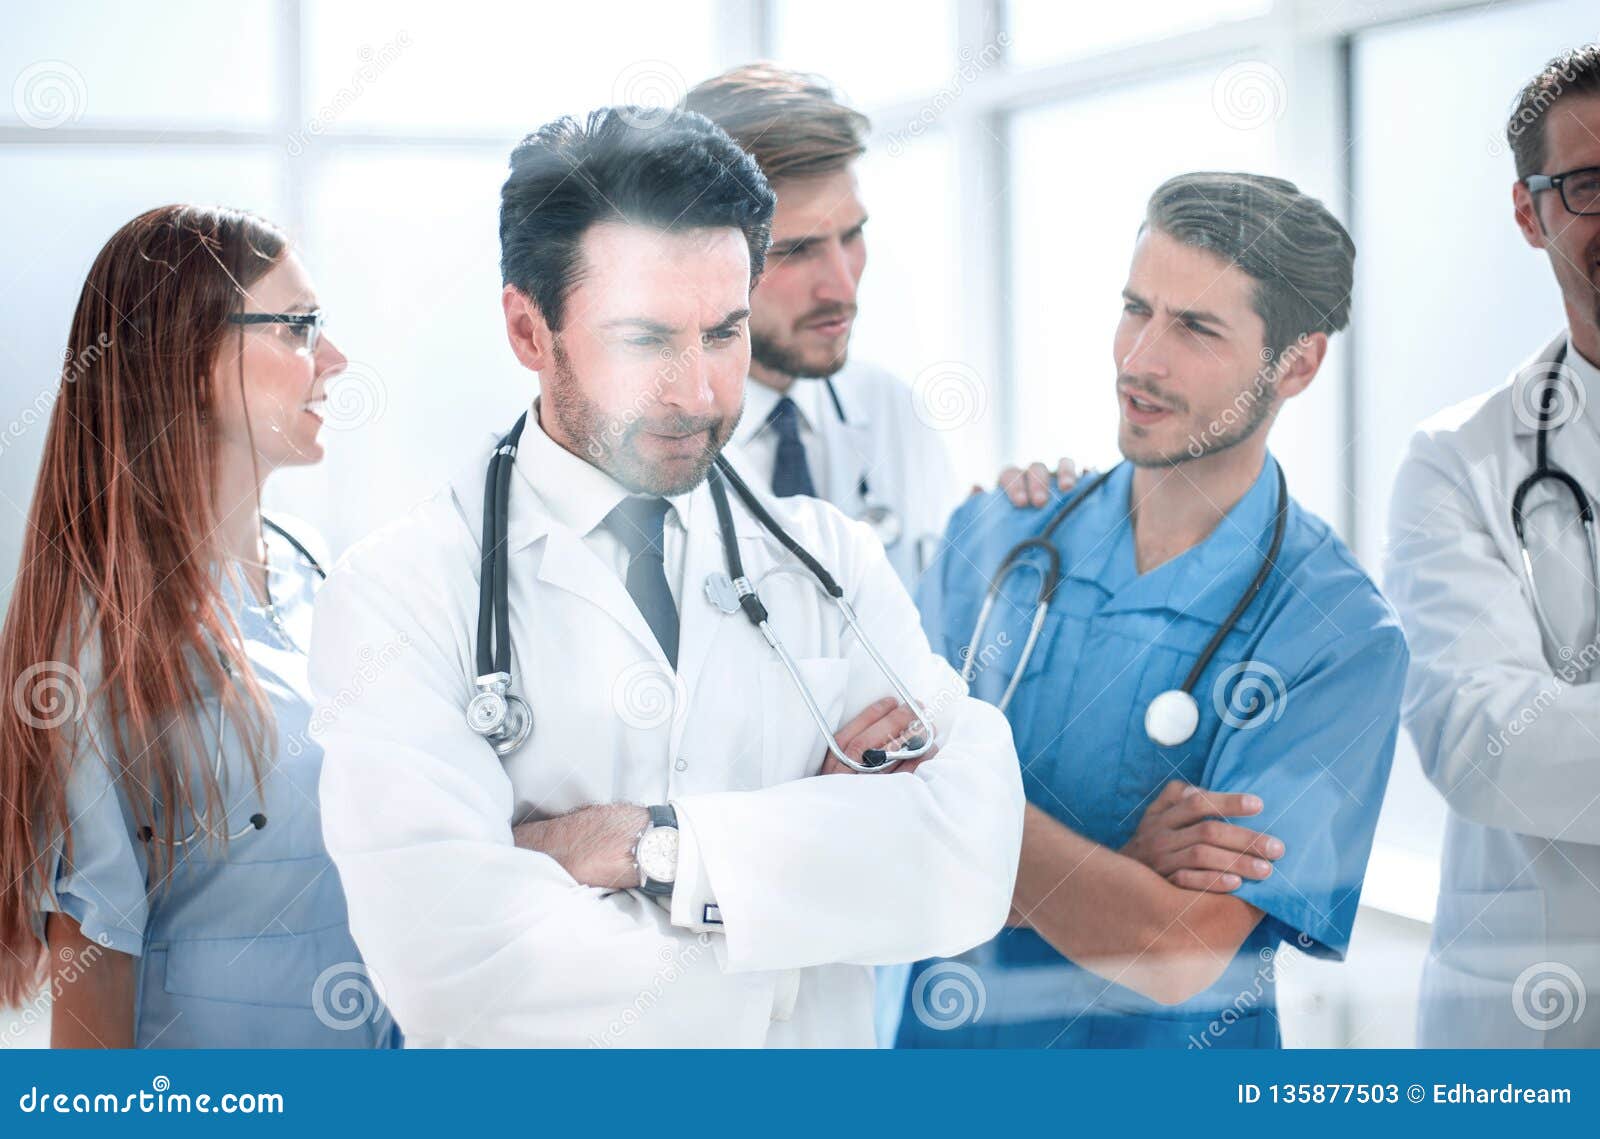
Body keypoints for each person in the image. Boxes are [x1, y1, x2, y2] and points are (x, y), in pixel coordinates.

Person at [306, 106, 1024, 1048]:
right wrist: (787, 944)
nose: (698, 393)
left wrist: (643, 847)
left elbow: (966, 850)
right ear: (530, 330)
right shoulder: (399, 594)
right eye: (645, 341)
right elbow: (458, 968)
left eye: (724, 333)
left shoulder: (829, 558)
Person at [896, 172, 1408, 1049]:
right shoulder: (997, 541)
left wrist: (949, 810)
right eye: (1137, 308)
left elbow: (1174, 953)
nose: (1140, 359)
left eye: (1196, 328)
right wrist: (1122, 871)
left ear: (1298, 361)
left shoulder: (1335, 635)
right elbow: (866, 822)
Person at [0, 205, 397, 1048]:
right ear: (187, 354)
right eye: (298, 327)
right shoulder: (100, 635)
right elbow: (94, 964)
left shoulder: (315, 568)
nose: (334, 360)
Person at [1385, 44, 1600, 1048]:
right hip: (1530, 1029)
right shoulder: (1457, 461)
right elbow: (1481, 743)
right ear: (1531, 214)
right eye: (1591, 185)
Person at [682, 64, 961, 588]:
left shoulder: (892, 412)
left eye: (852, 236)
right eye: (798, 250)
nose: (843, 287)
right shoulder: (645, 446)